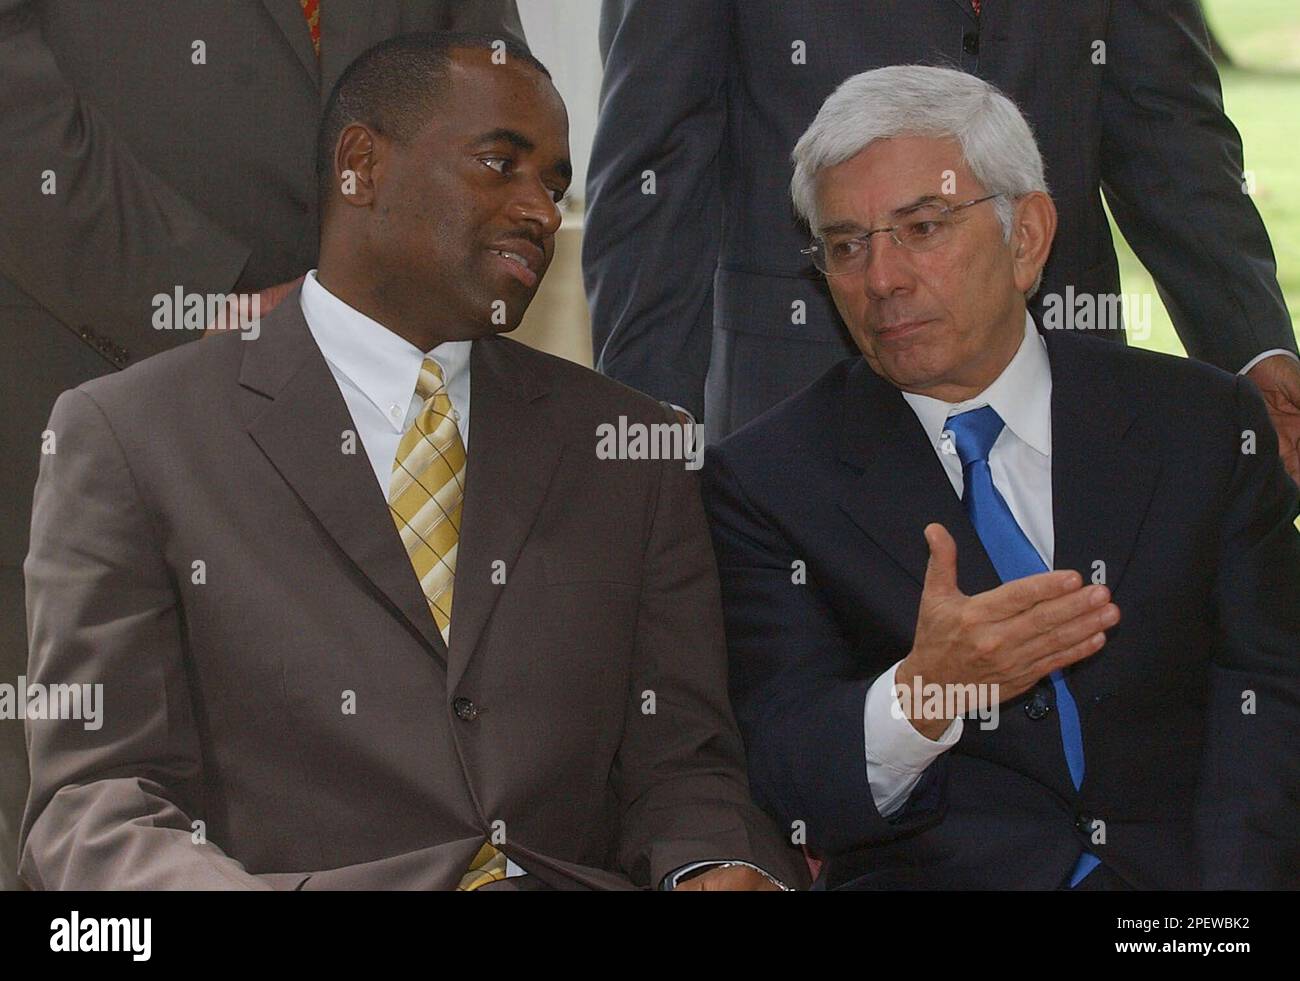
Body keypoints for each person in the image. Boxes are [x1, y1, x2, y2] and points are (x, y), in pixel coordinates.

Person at [19, 32, 804, 891]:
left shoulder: (631, 449)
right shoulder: (134, 436)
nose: (541, 211)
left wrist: (716, 863)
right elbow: (94, 806)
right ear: (361, 165)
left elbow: (686, 767)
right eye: (499, 164)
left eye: (553, 185)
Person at [701, 65, 1300, 889]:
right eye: (846, 245)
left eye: (922, 227)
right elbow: (782, 767)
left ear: (1026, 238)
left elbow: (1269, 704)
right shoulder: (767, 481)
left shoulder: (1204, 426)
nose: (881, 280)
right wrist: (922, 695)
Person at [0, 0, 524, 892]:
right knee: (103, 813)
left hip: (404, 375)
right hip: (96, 348)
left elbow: (492, 67)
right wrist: (203, 295)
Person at [584, 0, 1300, 464]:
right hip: (805, 405)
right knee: (830, 697)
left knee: (1090, 677)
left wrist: (1250, 348)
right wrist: (649, 429)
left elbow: (1168, 126)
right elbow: (655, 163)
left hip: (1070, 401)